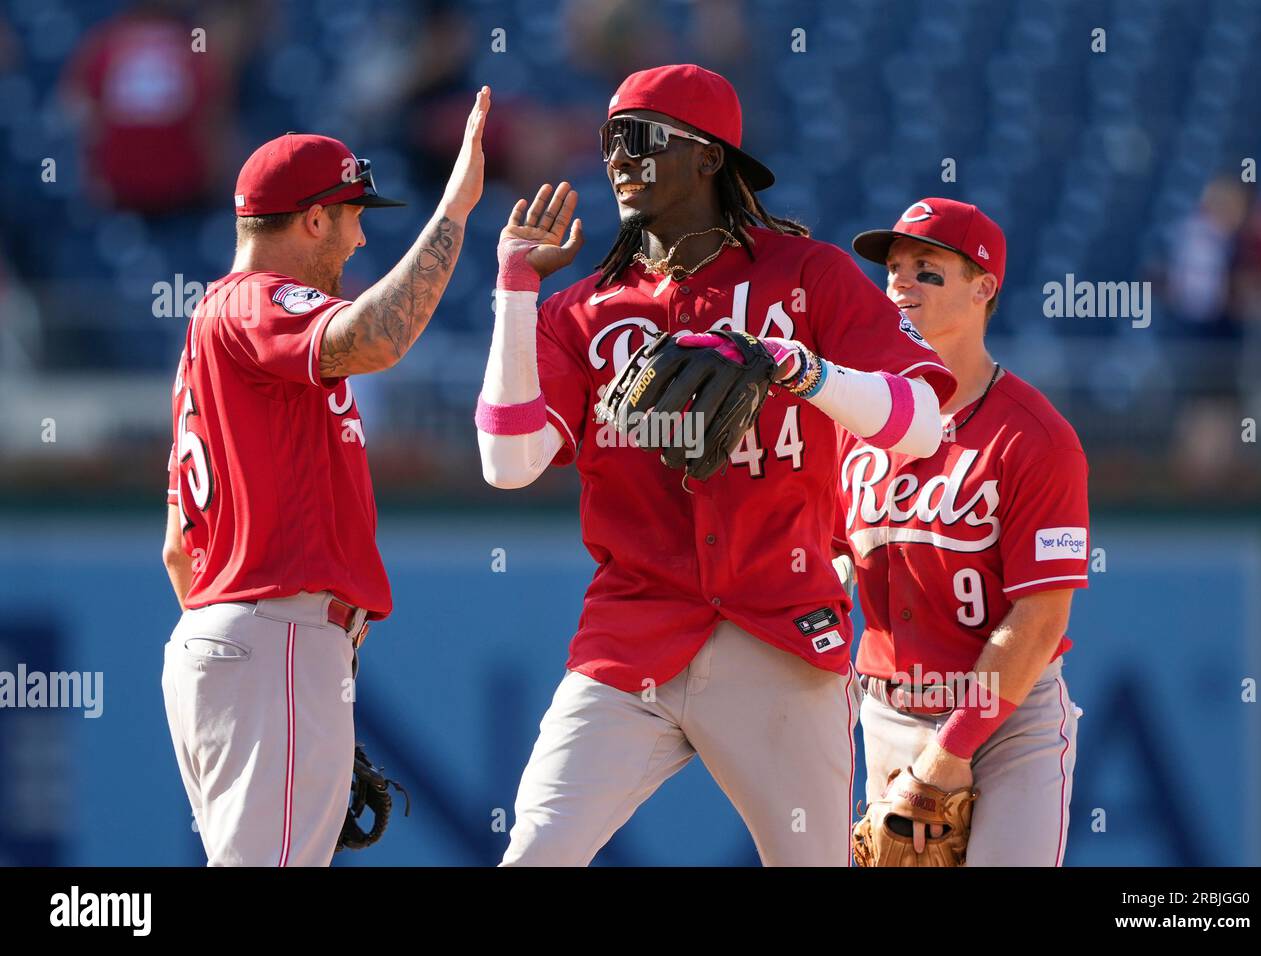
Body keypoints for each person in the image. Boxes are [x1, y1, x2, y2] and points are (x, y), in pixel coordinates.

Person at [474, 64, 955, 866]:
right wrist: (515, 291)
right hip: (633, 631)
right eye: (608, 143)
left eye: (641, 139)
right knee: (535, 855)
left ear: (708, 157)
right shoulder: (584, 309)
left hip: (780, 631)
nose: (618, 159)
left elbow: (921, 423)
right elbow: (508, 461)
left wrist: (797, 368)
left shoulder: (807, 276)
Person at [160, 89, 491, 866]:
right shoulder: (258, 303)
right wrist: (456, 210)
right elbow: (379, 337)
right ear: (313, 220)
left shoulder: (212, 333)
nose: (360, 236)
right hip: (274, 633)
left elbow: (179, 550)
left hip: (226, 637)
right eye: (351, 216)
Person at [840, 198, 1089, 865]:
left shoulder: (1036, 437)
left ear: (984, 288)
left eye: (928, 270)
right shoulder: (853, 421)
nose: (900, 284)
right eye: (893, 268)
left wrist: (951, 752)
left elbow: (1041, 614)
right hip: (890, 709)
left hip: (1010, 717)